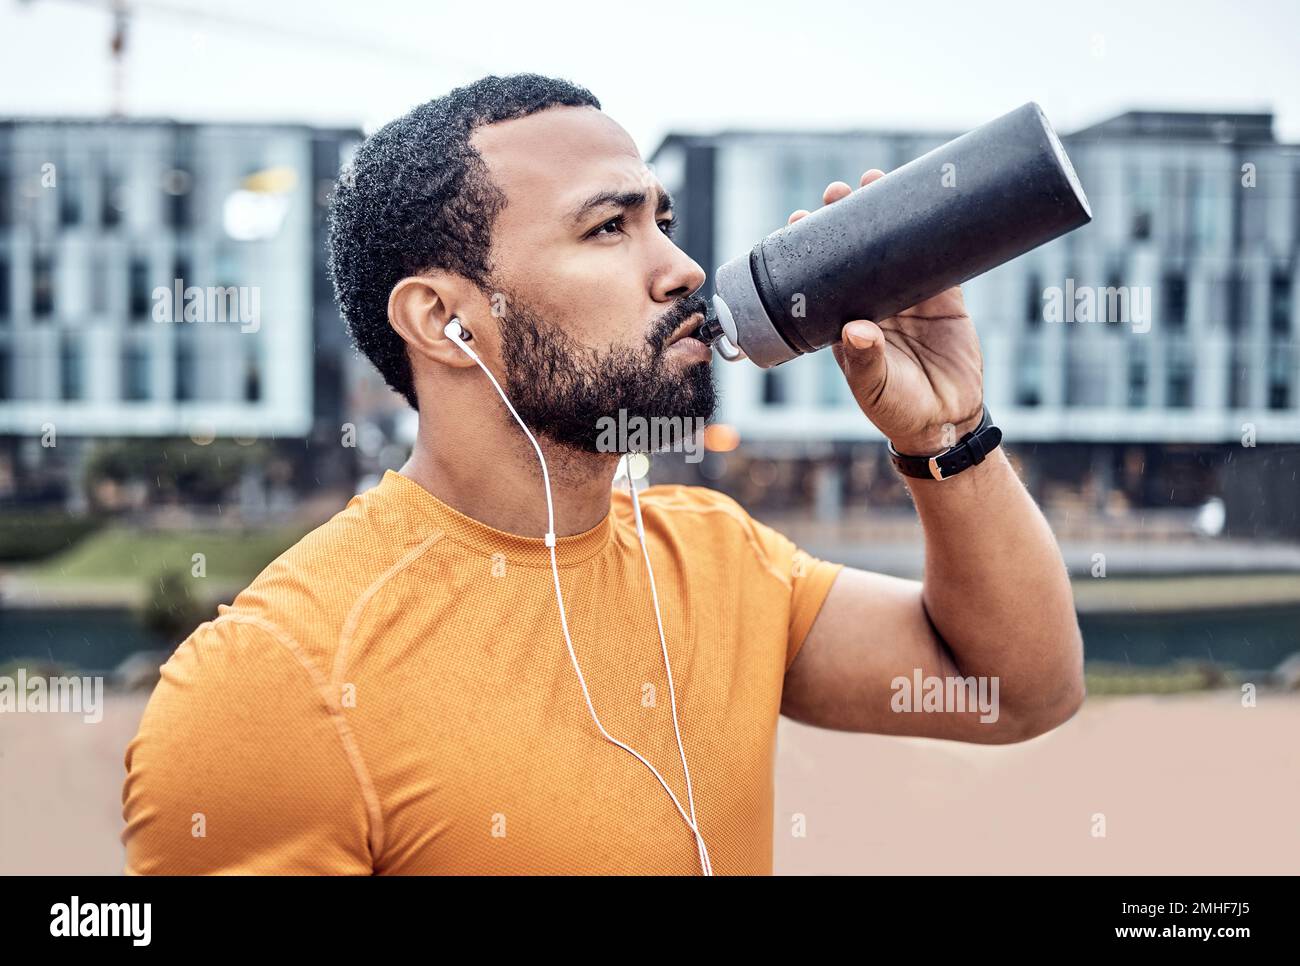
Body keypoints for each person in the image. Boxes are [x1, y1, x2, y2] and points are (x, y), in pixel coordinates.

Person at [121, 73, 1084, 875]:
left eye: (661, 220)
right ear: (442, 321)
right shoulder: (278, 687)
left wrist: (949, 434)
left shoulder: (718, 560)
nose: (683, 269)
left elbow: (1012, 689)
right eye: (609, 230)